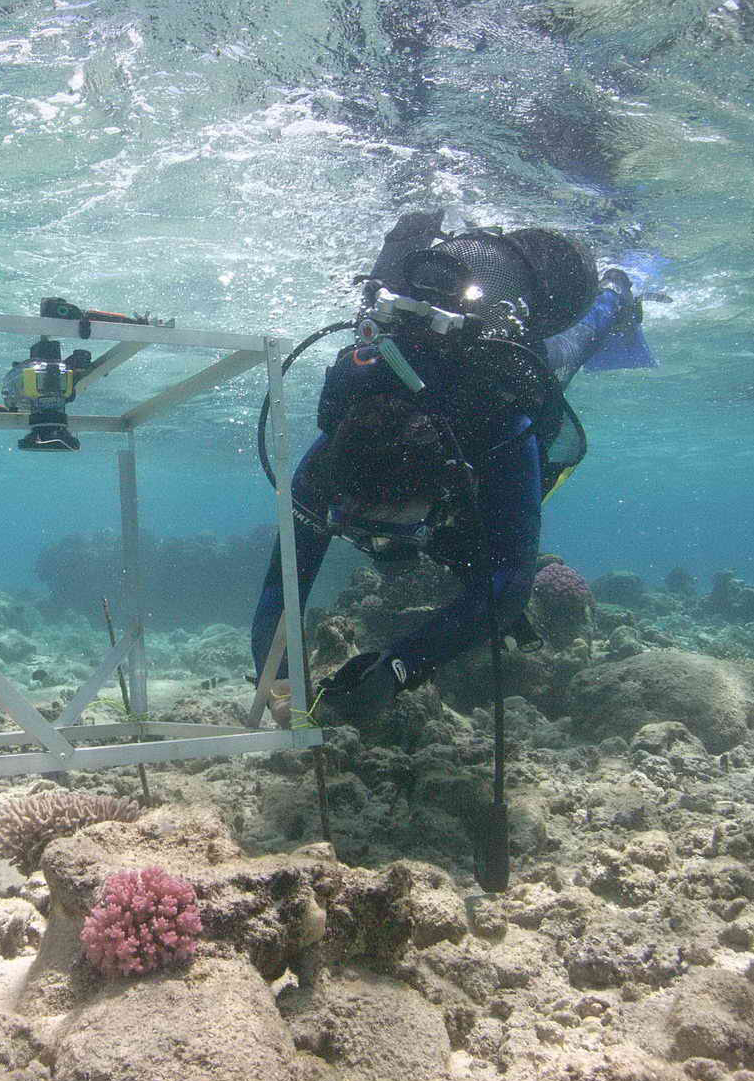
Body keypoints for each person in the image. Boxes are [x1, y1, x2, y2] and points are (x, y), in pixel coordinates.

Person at [251, 213, 646, 728]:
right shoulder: (328, 458)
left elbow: (506, 589)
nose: (382, 553)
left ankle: (618, 286)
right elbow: (281, 587)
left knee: (577, 341)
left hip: (502, 366)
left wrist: (399, 667)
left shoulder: (502, 427)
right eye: (362, 530)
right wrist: (280, 687)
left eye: (398, 533)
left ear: (448, 484)